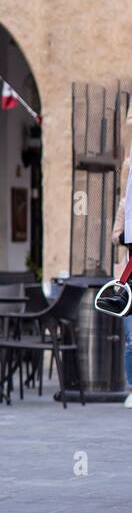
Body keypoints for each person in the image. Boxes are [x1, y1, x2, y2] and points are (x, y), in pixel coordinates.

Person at [112, 100, 132, 407]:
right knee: (130, 336)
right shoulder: (125, 204)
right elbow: (116, 233)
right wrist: (124, 234)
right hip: (129, 269)